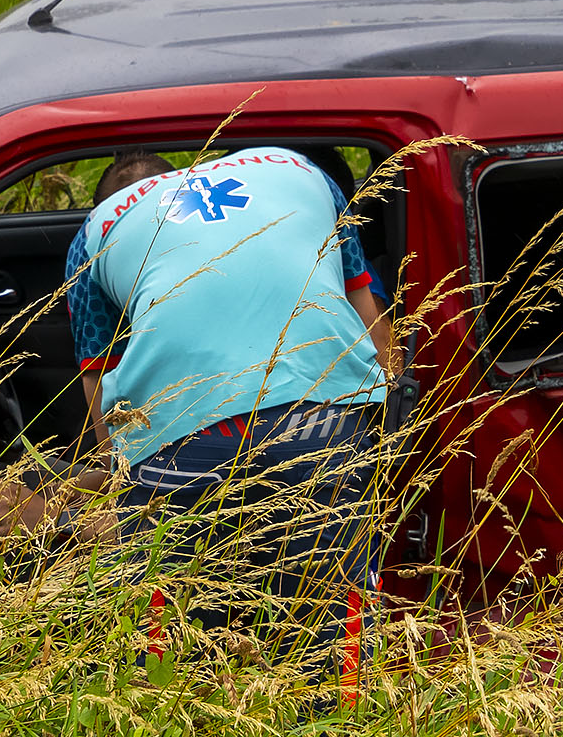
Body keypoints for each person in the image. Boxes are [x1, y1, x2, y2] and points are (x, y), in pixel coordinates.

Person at [65, 146, 392, 677]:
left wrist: (120, 482)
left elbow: (100, 384)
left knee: (179, 640)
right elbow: (368, 318)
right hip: (323, 415)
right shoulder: (303, 170)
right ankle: (338, 734)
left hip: (181, 437)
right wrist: (387, 424)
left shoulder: (94, 233)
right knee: (331, 623)